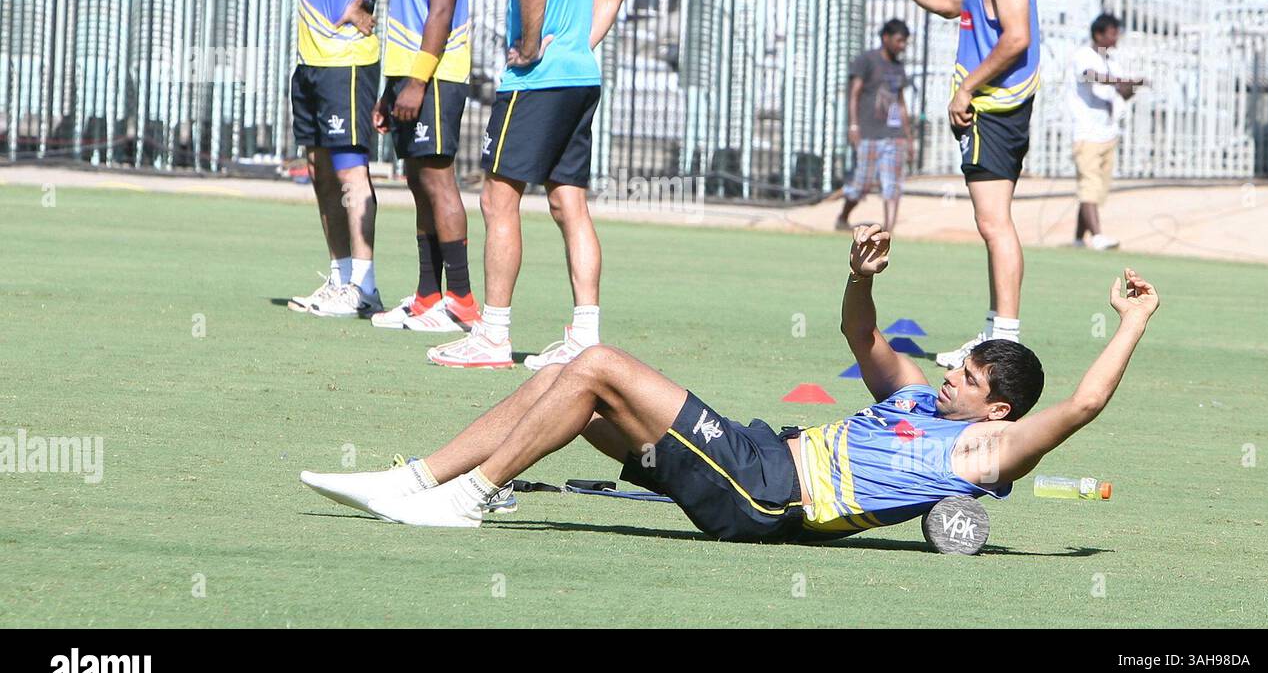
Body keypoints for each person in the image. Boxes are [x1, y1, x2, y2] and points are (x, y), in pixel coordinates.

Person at [299, 225, 1160, 539]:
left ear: (997, 408)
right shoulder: (914, 399)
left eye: (966, 373)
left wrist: (1130, 322)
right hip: (756, 455)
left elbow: (1083, 404)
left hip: (771, 495)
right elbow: (861, 332)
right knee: (575, 374)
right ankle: (417, 479)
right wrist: (863, 272)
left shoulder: (983, 448)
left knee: (597, 360)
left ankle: (469, 495)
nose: (946, 370)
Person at [427, 0, 626, 371]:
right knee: (569, 204)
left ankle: (492, 335)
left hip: (536, 82)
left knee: (497, 198)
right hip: (580, 79)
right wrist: (581, 46)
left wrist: (534, 46)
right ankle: (586, 335)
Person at [860, 0, 1041, 370]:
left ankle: (1006, 340)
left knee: (993, 222)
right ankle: (996, 336)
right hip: (993, 105)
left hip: (994, 107)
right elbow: (945, 1)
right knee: (992, 221)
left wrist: (966, 88)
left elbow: (1017, 36)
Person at [362, 0, 482, 334]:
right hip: (408, 75)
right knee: (416, 181)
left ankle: (461, 301)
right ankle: (428, 294)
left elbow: (441, 9)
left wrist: (416, 81)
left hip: (435, 74)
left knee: (438, 178)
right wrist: (390, 90)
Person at [286, 0, 404, 319]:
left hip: (347, 65)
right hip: (311, 65)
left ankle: (364, 284)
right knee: (319, 171)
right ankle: (338, 278)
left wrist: (368, 0)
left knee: (351, 172)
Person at [1068, 13, 1143, 251]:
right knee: (1089, 184)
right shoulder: (1084, 56)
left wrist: (1133, 86)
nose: (1116, 37)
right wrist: (1117, 80)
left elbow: (1121, 93)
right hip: (1086, 132)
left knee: (1097, 189)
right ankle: (1098, 236)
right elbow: (1090, 76)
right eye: (1112, 32)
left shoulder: (1112, 61)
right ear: (1099, 34)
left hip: (1107, 133)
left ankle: (1080, 239)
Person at [836, 19, 914, 233]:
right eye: (899, 41)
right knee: (862, 184)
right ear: (885, 38)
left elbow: (901, 103)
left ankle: (889, 230)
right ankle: (843, 217)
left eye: (905, 42)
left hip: (894, 134)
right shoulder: (866, 61)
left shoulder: (898, 68)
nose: (902, 46)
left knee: (892, 184)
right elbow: (854, 94)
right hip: (869, 133)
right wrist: (853, 126)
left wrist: (908, 138)